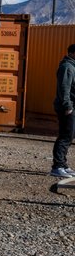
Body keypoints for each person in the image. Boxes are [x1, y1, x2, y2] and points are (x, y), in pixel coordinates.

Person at [53, 43, 75, 178]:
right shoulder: (67, 67)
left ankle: (63, 164)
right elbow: (64, 88)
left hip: (71, 106)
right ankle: (57, 166)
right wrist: (68, 106)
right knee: (66, 135)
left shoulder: (72, 66)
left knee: (69, 135)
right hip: (67, 107)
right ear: (72, 53)